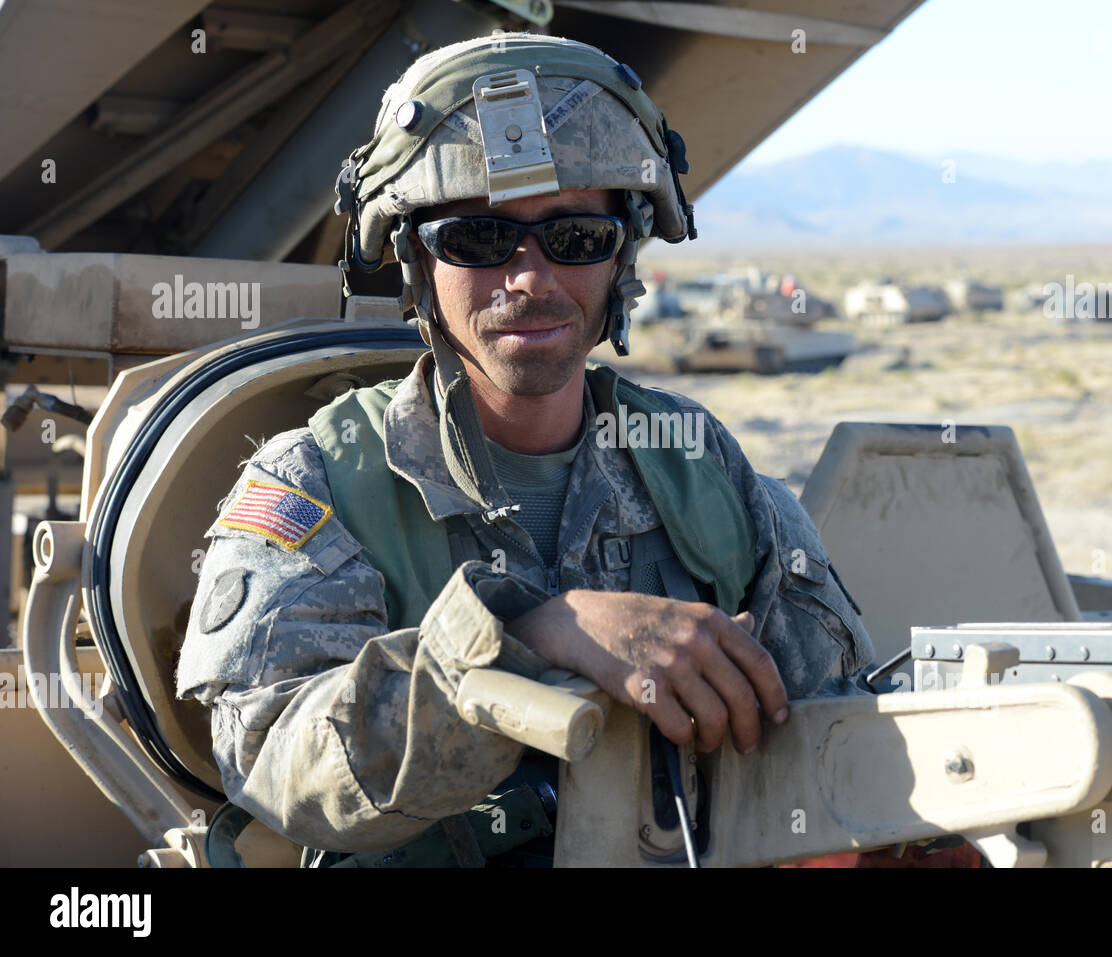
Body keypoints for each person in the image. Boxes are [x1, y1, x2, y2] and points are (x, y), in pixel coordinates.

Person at [176, 31, 873, 866]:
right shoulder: (322, 483)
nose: (530, 279)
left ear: (622, 258)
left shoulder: (696, 467)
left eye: (576, 238)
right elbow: (276, 764)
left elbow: (835, 721)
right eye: (476, 239)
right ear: (413, 263)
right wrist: (532, 636)